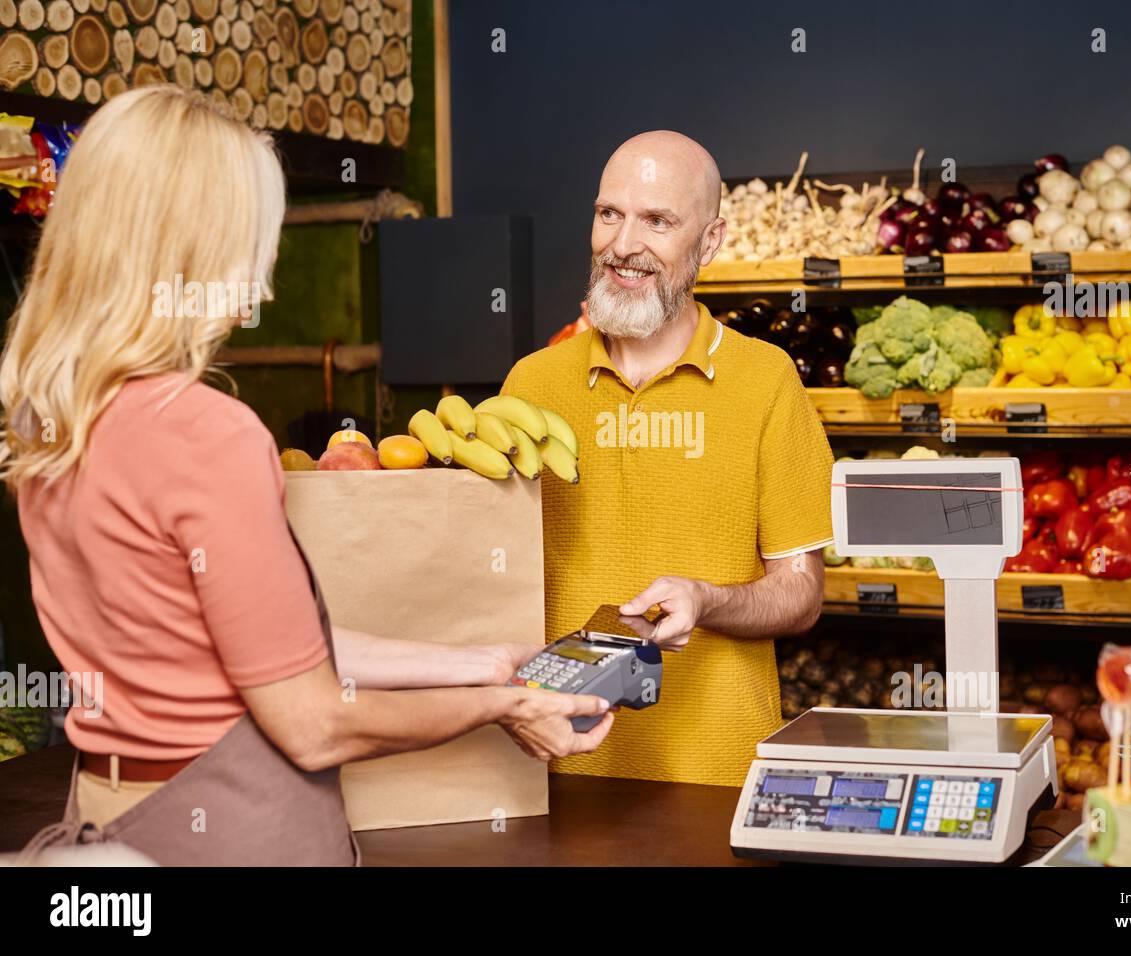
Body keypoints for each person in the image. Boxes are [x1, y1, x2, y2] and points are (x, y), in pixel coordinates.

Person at [0, 86, 612, 867]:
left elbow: (262, 652)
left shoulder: (48, 420)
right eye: (245, 254)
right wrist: (502, 705)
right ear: (185, 254)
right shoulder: (206, 434)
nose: (259, 291)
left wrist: (483, 661)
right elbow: (312, 717)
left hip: (111, 816)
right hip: (230, 831)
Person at [502, 131, 833, 787]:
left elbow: (802, 594)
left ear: (708, 242)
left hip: (715, 783)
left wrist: (705, 599)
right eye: (608, 214)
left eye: (658, 220)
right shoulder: (530, 387)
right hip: (552, 776)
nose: (623, 245)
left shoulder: (765, 382)